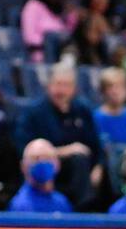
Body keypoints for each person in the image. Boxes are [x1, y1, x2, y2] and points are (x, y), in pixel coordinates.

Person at [14, 63, 104, 209]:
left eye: (66, 85)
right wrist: (63, 152)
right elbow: (24, 149)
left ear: (74, 89)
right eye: (58, 84)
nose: (61, 90)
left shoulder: (83, 110)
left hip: (82, 175)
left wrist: (98, 167)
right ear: (48, 85)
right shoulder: (34, 113)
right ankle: (83, 209)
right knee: (78, 159)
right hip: (45, 170)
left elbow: (96, 146)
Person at [8, 139, 74, 214]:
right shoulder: (19, 206)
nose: (42, 162)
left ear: (57, 164)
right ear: (23, 166)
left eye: (47, 157)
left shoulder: (62, 203)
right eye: (35, 158)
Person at [94, 67, 126, 147]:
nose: (115, 91)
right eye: (110, 87)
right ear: (103, 91)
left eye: (120, 86)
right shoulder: (97, 117)